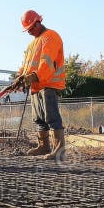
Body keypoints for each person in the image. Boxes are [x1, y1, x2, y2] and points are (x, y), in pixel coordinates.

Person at [16, 10, 66, 160]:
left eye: (31, 28)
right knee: (38, 118)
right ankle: (44, 146)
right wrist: (20, 77)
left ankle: (59, 151)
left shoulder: (51, 37)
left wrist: (35, 76)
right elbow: (26, 65)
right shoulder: (32, 44)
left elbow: (48, 62)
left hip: (48, 84)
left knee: (52, 118)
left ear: (38, 22)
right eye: (28, 29)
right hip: (36, 86)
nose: (29, 32)